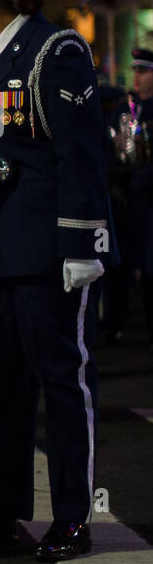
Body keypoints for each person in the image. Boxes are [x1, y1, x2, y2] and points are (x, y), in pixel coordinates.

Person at [0, 0, 111, 561]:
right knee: (7, 389)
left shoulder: (55, 49)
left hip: (49, 250)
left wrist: (84, 240)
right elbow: (13, 144)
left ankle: (73, 517)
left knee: (64, 384)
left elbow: (81, 151)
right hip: (5, 247)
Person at [123, 48, 153, 348]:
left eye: (143, 72)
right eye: (136, 72)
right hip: (137, 199)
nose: (137, 77)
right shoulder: (133, 108)